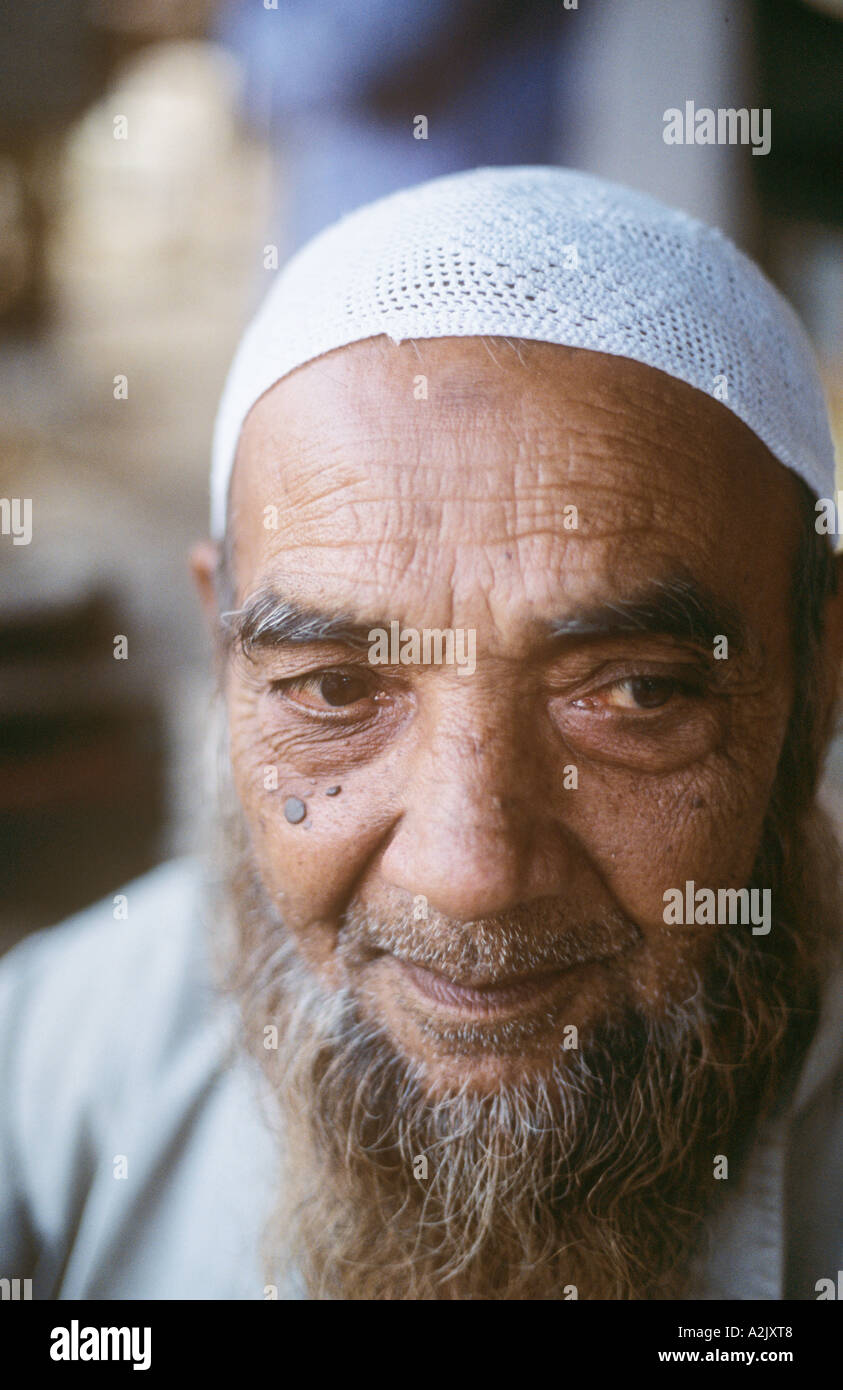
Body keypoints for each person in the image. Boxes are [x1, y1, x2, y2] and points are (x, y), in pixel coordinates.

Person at [2, 166, 842, 1301]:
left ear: (821, 669)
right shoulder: (46, 1074)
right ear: (221, 653)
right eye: (337, 689)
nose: (470, 877)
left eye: (635, 692)